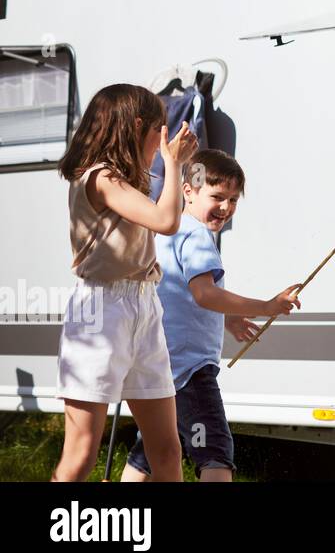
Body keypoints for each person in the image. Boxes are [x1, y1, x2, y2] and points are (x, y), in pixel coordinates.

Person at [121, 148, 302, 482]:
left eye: (233, 200)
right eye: (217, 196)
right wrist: (267, 306)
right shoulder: (197, 235)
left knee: (150, 451)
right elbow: (204, 294)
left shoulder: (165, 232)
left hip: (160, 366)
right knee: (215, 453)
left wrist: (228, 319)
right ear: (188, 191)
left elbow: (178, 297)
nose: (226, 207)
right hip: (190, 371)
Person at [52, 84, 199, 482]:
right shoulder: (99, 178)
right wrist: (174, 165)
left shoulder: (126, 181)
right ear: (137, 127)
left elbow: (166, 214)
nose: (162, 140)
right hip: (102, 310)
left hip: (143, 306)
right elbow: (166, 221)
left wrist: (171, 166)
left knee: (167, 449)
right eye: (159, 130)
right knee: (81, 453)